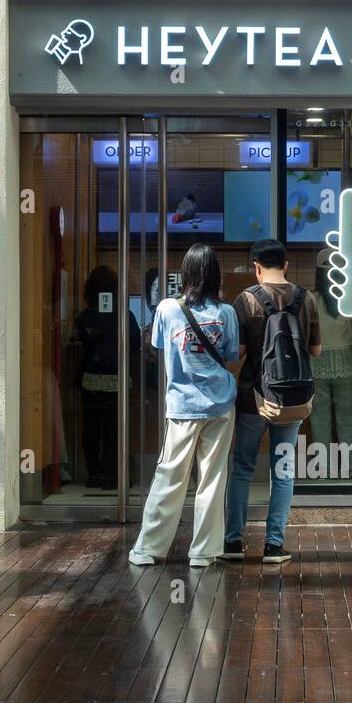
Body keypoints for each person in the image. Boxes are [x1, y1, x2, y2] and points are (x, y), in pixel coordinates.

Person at [128, 243, 240, 568]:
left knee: (169, 475)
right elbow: (231, 356)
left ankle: (148, 548)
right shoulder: (227, 313)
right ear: (215, 275)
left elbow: (157, 346)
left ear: (185, 274)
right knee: (212, 478)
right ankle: (203, 552)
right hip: (220, 406)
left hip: (181, 407)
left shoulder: (166, 308)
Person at [223, 238, 321, 565]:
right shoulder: (306, 299)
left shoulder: (246, 300)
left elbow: (236, 353)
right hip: (292, 398)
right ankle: (274, 546)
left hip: (253, 397)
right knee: (283, 471)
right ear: (286, 264)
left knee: (242, 468)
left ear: (256, 266)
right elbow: (316, 350)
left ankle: (234, 543)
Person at [74, 265, 139, 490]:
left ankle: (94, 474)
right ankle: (114, 474)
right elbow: (135, 345)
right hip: (118, 380)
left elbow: (77, 344)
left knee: (91, 430)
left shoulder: (85, 317)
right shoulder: (126, 315)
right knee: (114, 430)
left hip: (91, 379)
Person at [308, 248, 352, 451]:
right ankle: (349, 466)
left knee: (319, 415)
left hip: (317, 359)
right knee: (347, 415)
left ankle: (323, 467)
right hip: (346, 358)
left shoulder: (310, 299)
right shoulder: (350, 299)